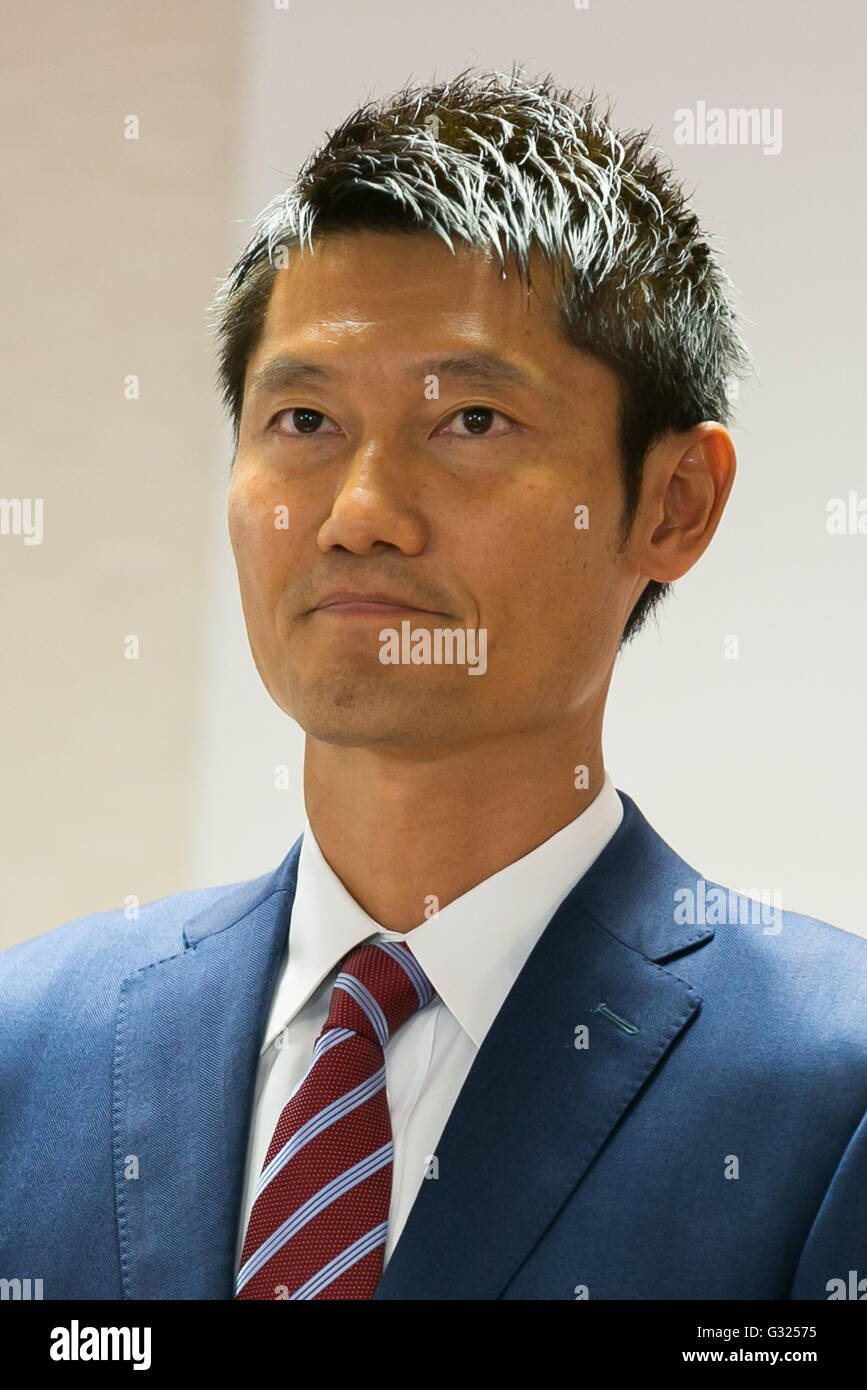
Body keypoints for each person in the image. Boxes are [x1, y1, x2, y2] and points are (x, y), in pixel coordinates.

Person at [1, 65, 865, 1302]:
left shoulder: (830, 1095)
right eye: (301, 420)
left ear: (675, 503)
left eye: (469, 420)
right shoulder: (31, 1051)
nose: (359, 516)